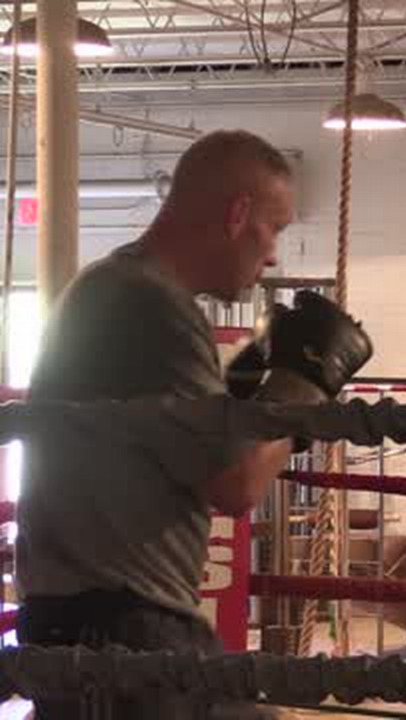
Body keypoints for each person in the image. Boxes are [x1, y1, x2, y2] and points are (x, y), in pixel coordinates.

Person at [15, 129, 373, 719]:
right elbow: (237, 483)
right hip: (121, 624)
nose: (275, 253)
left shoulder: (116, 289)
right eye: (275, 228)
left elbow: (170, 432)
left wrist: (251, 384)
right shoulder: (150, 304)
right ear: (238, 214)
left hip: (90, 618)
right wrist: (300, 386)